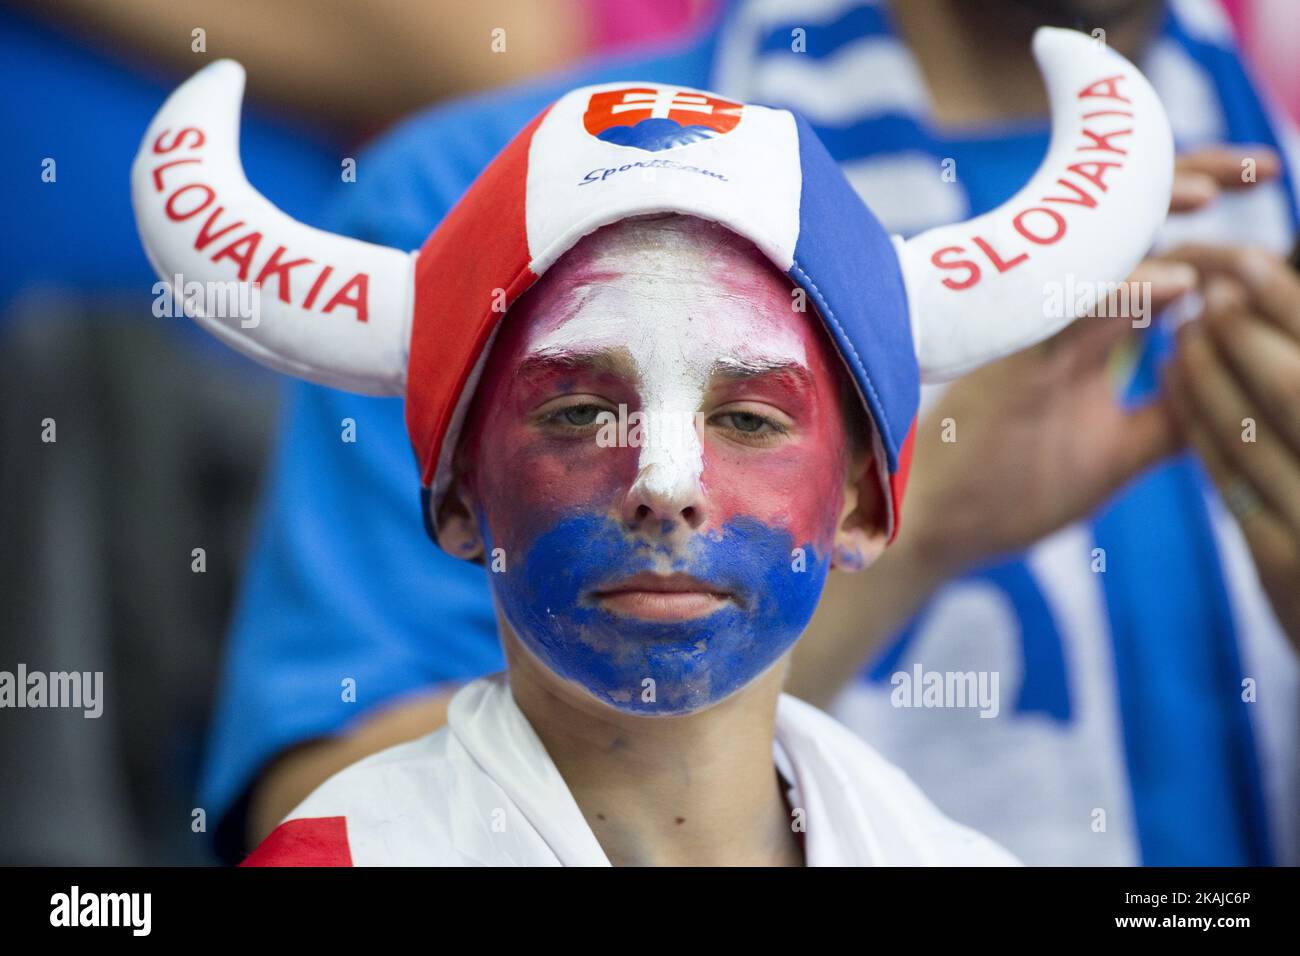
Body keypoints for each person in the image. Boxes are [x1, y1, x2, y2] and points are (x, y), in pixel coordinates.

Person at [201, 0, 1300, 865]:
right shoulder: (479, 197)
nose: (664, 478)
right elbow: (328, 822)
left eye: (748, 416)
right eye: (577, 411)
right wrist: (921, 524)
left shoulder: (1279, 207)